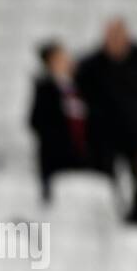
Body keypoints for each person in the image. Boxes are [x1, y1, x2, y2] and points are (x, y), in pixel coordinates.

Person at [75, 18, 137, 175]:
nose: (115, 41)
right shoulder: (92, 63)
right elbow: (80, 85)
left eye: (119, 36)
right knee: (102, 169)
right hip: (104, 130)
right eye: (111, 36)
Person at [28, 42, 94, 202]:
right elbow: (35, 121)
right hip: (56, 156)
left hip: (81, 154)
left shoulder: (81, 86)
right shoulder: (44, 88)